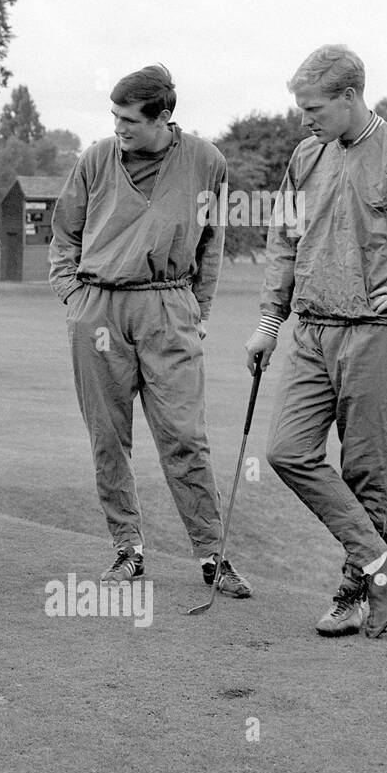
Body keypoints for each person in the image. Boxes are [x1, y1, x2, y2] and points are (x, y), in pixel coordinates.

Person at [245, 45, 387, 639]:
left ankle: (357, 592)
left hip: (378, 335)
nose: (304, 120)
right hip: (311, 332)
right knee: (287, 451)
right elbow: (286, 241)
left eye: (313, 108)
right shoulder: (306, 155)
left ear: (350, 96)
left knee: (366, 471)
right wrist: (268, 326)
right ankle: (382, 561)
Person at [49, 63, 252, 599]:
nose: (119, 128)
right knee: (108, 437)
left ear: (163, 117)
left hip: (168, 307)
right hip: (98, 309)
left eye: (129, 120)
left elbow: (213, 244)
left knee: (185, 436)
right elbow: (64, 233)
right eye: (113, 117)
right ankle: (127, 549)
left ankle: (212, 555)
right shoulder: (95, 157)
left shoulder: (207, 160)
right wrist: (74, 296)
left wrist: (198, 310)